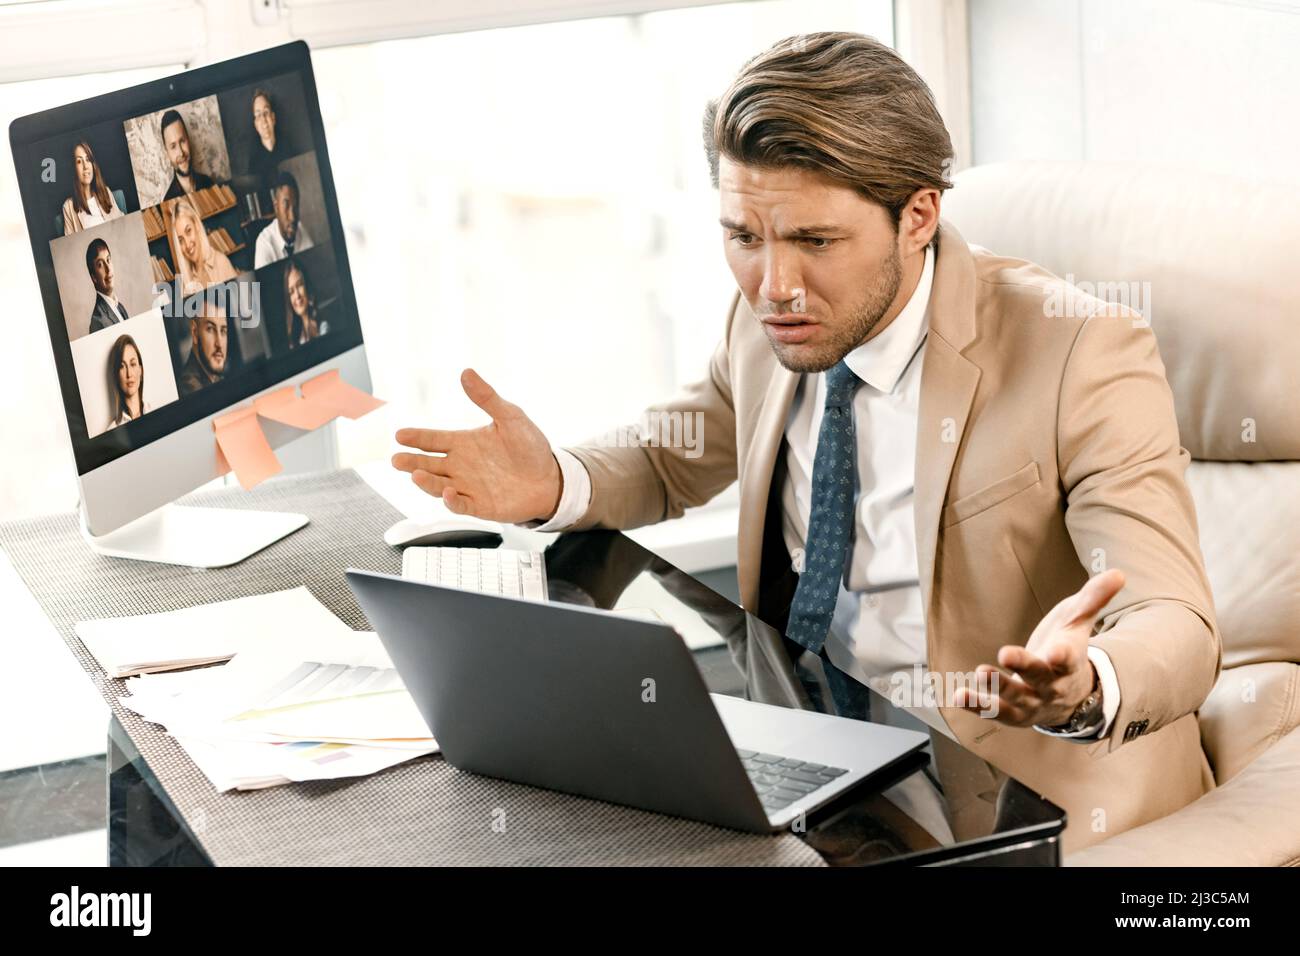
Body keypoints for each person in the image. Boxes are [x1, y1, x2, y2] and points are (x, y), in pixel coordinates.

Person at [390, 33, 1222, 856]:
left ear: (918, 216)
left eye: (816, 242)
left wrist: (1083, 687)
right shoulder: (767, 323)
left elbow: (1174, 618)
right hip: (816, 755)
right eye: (744, 238)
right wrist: (555, 481)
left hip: (1019, 802)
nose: (773, 284)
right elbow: (668, 456)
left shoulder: (1080, 351)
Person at [171, 194, 237, 295]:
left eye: (188, 231)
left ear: (197, 226)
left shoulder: (221, 262)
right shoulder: (185, 284)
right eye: (180, 240)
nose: (187, 244)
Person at [254, 170, 313, 268]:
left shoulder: (301, 230)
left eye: (295, 207)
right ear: (276, 207)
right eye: (286, 206)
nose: (293, 217)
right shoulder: (264, 243)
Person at [62, 141, 124, 235]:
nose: (85, 166)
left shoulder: (106, 192)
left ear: (93, 164)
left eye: (88, 159)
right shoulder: (68, 207)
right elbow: (69, 245)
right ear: (73, 168)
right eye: (79, 161)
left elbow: (122, 224)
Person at [177, 296, 230, 394]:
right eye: (210, 329)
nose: (219, 344)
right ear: (194, 332)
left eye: (223, 331)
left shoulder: (215, 377)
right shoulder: (189, 388)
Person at [160, 109, 215, 200]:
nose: (181, 153)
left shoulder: (209, 183)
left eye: (182, 141)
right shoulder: (168, 202)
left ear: (188, 140)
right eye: (173, 146)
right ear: (167, 154)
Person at [247, 88, 288, 204]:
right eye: (258, 115)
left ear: (273, 117)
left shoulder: (289, 151)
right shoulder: (253, 164)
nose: (264, 120)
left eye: (266, 112)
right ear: (255, 125)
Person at [104, 334, 151, 430]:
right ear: (116, 376)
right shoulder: (112, 431)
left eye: (133, 364)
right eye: (122, 366)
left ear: (141, 371)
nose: (129, 374)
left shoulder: (158, 411)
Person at [85, 238, 130, 334]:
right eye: (100, 265)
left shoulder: (119, 306)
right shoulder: (97, 321)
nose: (108, 269)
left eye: (108, 260)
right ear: (94, 278)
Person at [282, 257, 326, 347]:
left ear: (308, 287)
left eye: (299, 285)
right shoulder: (295, 339)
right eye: (291, 292)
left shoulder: (323, 327)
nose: (297, 295)